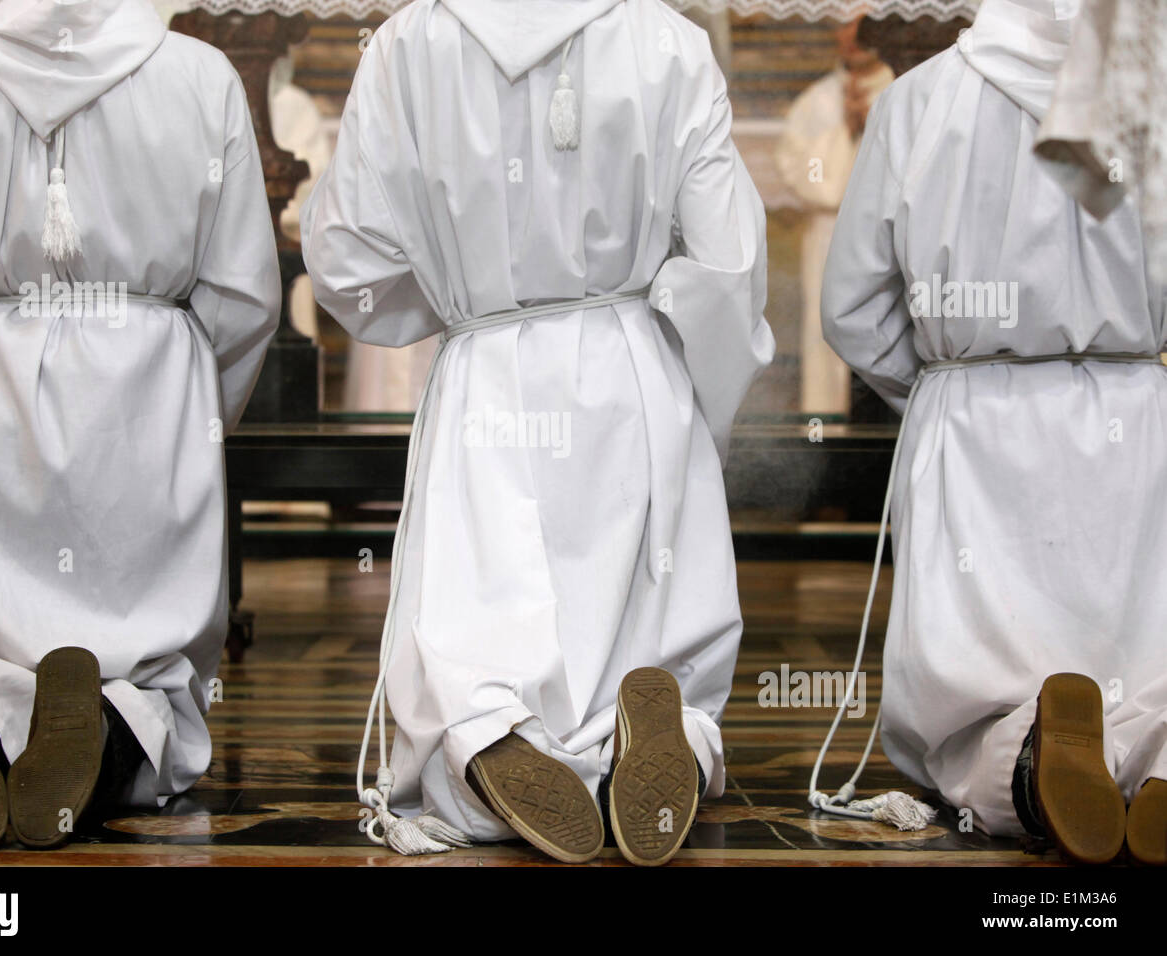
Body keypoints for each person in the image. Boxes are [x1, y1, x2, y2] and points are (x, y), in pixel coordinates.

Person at [302, 0, 773, 864]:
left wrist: (456, 307)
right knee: (652, 621)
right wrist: (703, 399)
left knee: (476, 614)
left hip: (487, 371)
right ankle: (667, 733)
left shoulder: (407, 41)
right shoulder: (665, 37)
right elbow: (727, 260)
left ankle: (483, 736)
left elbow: (345, 258)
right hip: (629, 360)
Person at [0, 0, 279, 848]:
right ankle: (108, 729)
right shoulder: (198, 74)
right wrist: (202, 415)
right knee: (146, 659)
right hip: (146, 386)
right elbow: (243, 292)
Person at [821, 0, 1167, 865]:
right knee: (1146, 654)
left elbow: (853, 305)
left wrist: (939, 391)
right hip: (1131, 418)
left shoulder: (920, 100)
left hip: (974, 425)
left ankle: (1023, 758)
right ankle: (1154, 761)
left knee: (968, 700)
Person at [774, 19, 891, 418]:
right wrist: (845, 130)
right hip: (829, 230)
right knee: (827, 329)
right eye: (844, 26)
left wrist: (866, 128)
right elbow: (794, 166)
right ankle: (829, 428)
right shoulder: (818, 100)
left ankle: (883, 425)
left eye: (862, 26)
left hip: (885, 229)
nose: (852, 37)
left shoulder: (905, 90)